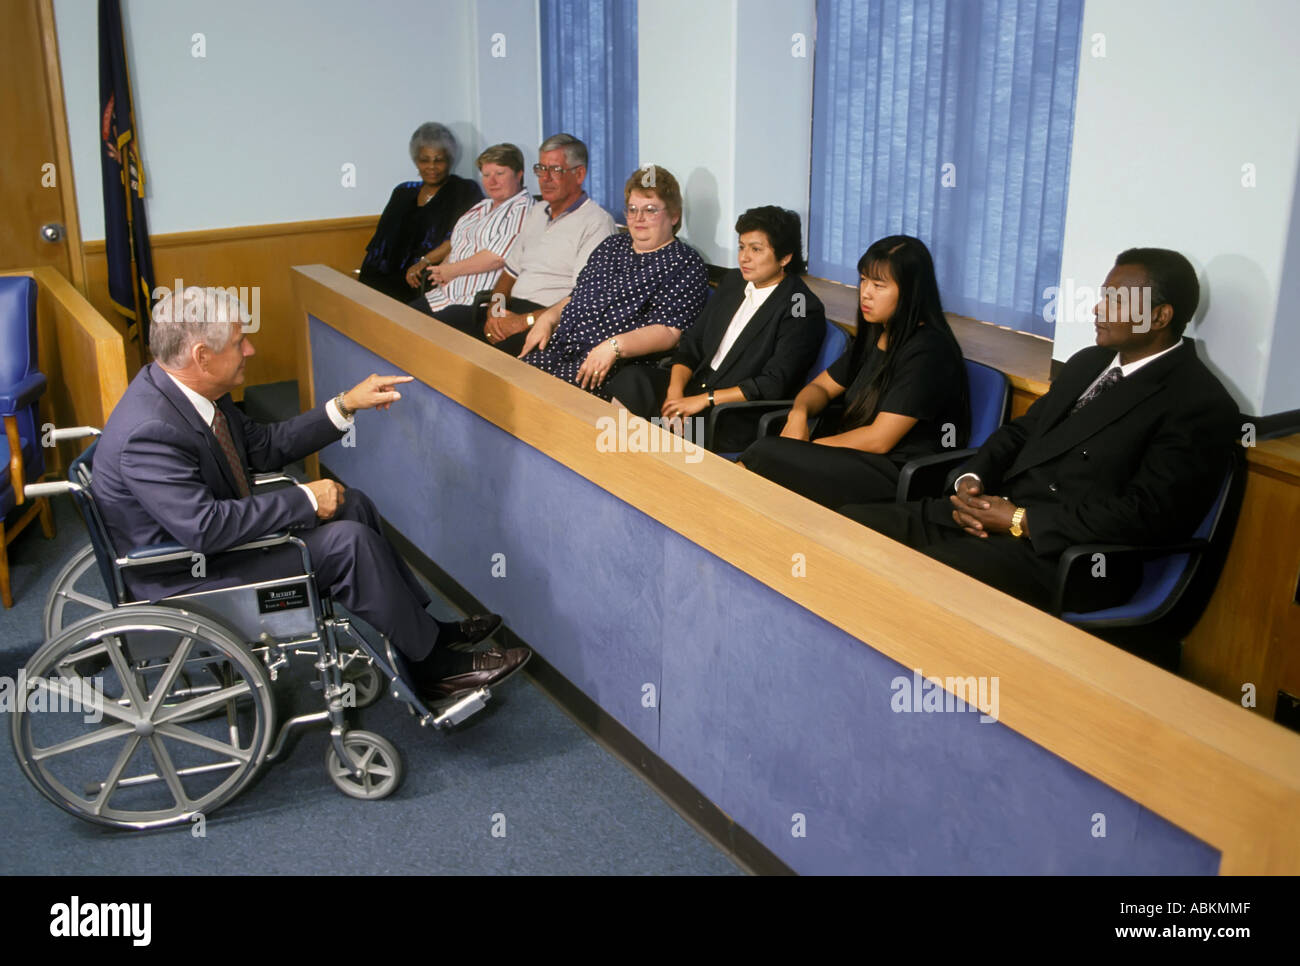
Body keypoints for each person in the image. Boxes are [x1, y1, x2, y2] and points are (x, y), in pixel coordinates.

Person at [91, 287, 529, 701]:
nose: (250, 350)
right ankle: (436, 669)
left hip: (214, 544)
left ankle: (425, 633)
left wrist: (346, 404)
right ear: (202, 356)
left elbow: (264, 448)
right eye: (240, 343)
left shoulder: (194, 392)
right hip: (188, 575)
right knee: (347, 544)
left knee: (353, 504)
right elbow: (204, 529)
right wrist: (304, 500)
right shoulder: (150, 431)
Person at [841, 247, 1240, 616]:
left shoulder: (1197, 401)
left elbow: (1147, 515)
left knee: (917, 577)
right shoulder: (1088, 362)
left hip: (1071, 556)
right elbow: (1021, 432)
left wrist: (1021, 520)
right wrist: (972, 479)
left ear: (1160, 317)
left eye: (1117, 301)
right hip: (995, 513)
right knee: (848, 529)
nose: (1098, 309)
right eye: (1103, 296)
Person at [739, 235, 969, 509]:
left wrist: (809, 447)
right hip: (856, 459)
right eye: (863, 280)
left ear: (911, 292)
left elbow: (880, 439)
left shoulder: (930, 350)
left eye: (879, 285)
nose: (866, 293)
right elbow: (820, 388)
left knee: (765, 454)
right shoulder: (877, 334)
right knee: (766, 458)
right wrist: (798, 414)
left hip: (896, 474)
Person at [607, 206, 826, 452]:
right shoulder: (733, 281)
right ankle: (618, 461)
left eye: (756, 249)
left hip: (734, 410)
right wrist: (675, 393)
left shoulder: (800, 304)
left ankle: (647, 464)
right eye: (741, 247)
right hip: (698, 386)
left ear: (785, 258)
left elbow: (772, 383)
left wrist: (703, 400)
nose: (744, 258)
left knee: (677, 429)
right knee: (633, 381)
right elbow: (692, 342)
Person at [516, 165, 708, 399]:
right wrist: (548, 317)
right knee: (507, 381)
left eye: (650, 210)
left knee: (539, 399)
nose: (638, 218)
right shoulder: (611, 246)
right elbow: (577, 297)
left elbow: (669, 332)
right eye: (632, 209)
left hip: (611, 366)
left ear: (674, 215)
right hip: (562, 348)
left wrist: (614, 346)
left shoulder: (684, 263)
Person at [434, 133, 615, 355]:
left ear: (579, 174)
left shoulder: (597, 222)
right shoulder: (537, 211)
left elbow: (584, 300)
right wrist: (495, 311)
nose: (545, 178)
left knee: (473, 357)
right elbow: (508, 275)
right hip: (512, 311)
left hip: (549, 322)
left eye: (555, 170)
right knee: (439, 331)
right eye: (541, 169)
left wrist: (523, 321)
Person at [358, 122, 483, 303]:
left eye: (439, 160)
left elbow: (460, 238)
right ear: (416, 161)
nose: (432, 166)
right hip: (385, 274)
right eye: (425, 160)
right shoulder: (403, 192)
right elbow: (380, 243)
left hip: (428, 277)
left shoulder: (465, 190)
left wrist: (424, 262)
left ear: (450, 160)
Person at [406, 143, 533, 316]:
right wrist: (441, 271)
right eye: (486, 175)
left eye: (499, 174)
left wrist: (450, 270)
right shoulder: (481, 206)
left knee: (420, 328)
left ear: (519, 174)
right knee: (399, 319)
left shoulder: (523, 209)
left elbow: (496, 258)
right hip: (444, 295)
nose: (492, 181)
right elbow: (458, 244)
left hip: (476, 303)